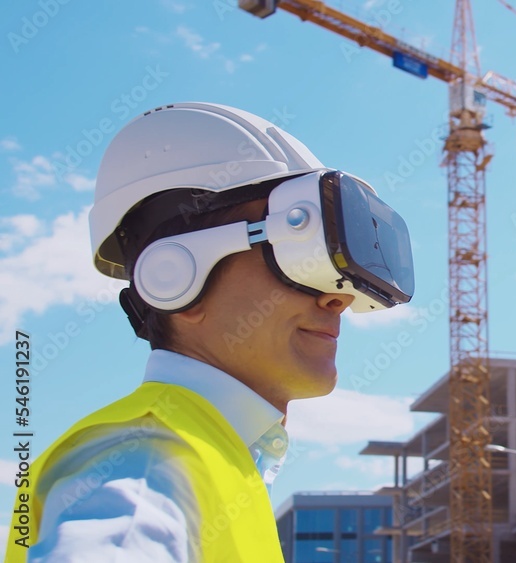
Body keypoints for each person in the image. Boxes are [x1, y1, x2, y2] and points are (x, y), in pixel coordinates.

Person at [5, 102, 415, 562]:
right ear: (174, 277)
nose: (337, 298)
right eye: (301, 255)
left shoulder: (218, 459)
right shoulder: (148, 468)